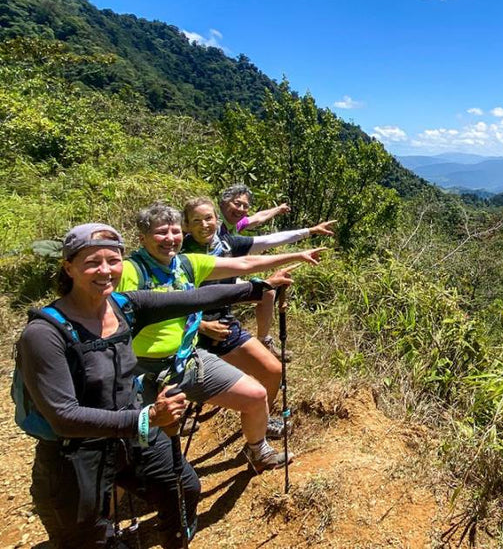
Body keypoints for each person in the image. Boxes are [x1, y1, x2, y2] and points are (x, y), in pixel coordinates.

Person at [16, 223, 287, 548]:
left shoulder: (124, 306)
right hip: (73, 455)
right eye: (92, 262)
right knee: (87, 538)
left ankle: (171, 538)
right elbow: (63, 416)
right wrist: (147, 419)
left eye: (113, 260)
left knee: (184, 487)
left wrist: (258, 288)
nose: (105, 271)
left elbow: (192, 298)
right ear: (69, 267)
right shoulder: (44, 334)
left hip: (132, 436)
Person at [119, 203, 324, 472]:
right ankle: (108, 505)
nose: (170, 239)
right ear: (142, 238)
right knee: (135, 452)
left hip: (188, 360)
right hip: (141, 371)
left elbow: (244, 263)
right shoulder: (128, 272)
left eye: (173, 231)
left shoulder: (186, 264)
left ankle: (257, 451)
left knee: (255, 395)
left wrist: (296, 256)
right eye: (160, 233)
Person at [182, 195, 335, 364]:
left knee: (266, 291)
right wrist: (201, 325)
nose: (204, 225)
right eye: (196, 221)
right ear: (186, 225)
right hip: (192, 312)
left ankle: (264, 340)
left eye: (208, 218)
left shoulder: (226, 243)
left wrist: (309, 232)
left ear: (217, 219)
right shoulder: (180, 251)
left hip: (224, 295)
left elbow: (268, 240)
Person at [218, 183, 290, 236]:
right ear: (224, 203)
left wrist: (279, 209)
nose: (241, 209)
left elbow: (258, 218)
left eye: (245, 206)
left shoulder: (234, 225)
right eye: (237, 204)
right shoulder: (213, 226)